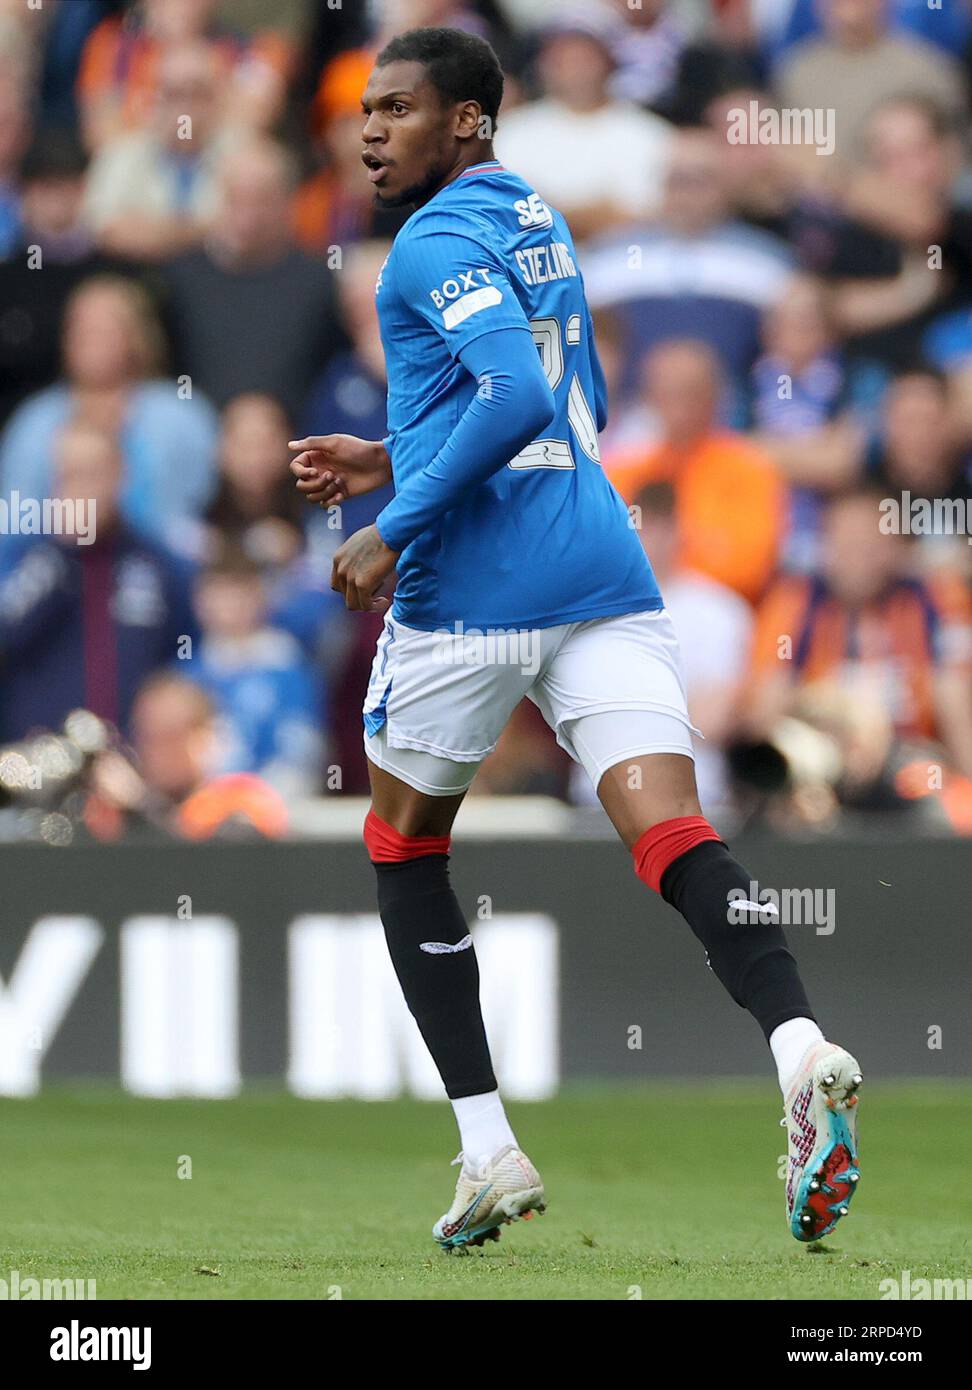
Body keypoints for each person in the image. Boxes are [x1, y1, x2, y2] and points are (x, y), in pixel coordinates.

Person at [289, 26, 862, 1252]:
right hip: (599, 565)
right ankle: (800, 1045)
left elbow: (514, 394)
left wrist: (396, 519)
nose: (371, 130)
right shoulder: (534, 218)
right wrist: (396, 450)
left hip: (472, 592)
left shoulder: (428, 243)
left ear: (468, 124)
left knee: (403, 849)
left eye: (399, 109)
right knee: (671, 831)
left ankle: (489, 1147)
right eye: (367, 111)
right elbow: (560, 398)